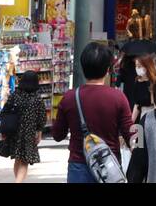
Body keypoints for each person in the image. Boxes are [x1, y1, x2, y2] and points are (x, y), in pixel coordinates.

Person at [51, 41, 134, 183]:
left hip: (78, 166)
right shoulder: (118, 97)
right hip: (109, 167)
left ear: (83, 68)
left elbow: (58, 135)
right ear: (108, 69)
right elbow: (132, 134)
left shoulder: (69, 98)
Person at [0, 70, 44, 183]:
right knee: (24, 161)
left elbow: (4, 112)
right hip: (28, 134)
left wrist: (4, 132)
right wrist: (39, 134)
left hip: (14, 132)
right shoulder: (37, 99)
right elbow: (41, 119)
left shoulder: (15, 96)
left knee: (17, 159)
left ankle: (18, 180)